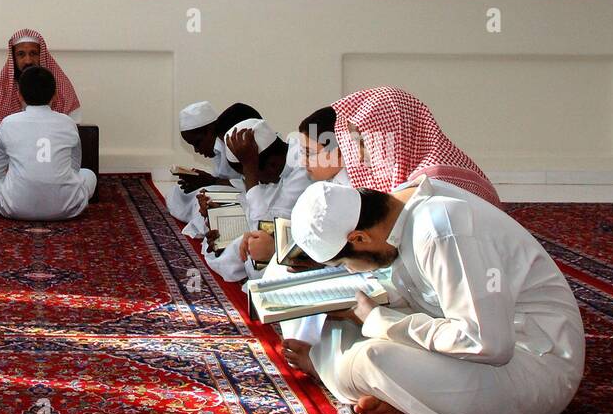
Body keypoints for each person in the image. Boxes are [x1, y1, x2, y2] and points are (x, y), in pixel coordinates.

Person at [284, 178, 584, 414]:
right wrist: (365, 311)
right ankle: (411, 401)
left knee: (365, 361)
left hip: (535, 370)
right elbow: (423, 290)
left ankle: (346, 378)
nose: (350, 270)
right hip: (487, 349)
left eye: (344, 263)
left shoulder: (441, 231)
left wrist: (382, 321)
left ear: (359, 238)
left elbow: (487, 343)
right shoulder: (403, 209)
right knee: (341, 326)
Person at [292, 88, 500, 206]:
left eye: (365, 143)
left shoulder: (430, 181)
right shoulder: (421, 167)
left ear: (397, 135)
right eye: (355, 143)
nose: (359, 155)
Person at [0, 66, 96, 221]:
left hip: (15, 207)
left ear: (19, 95)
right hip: (66, 207)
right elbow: (75, 167)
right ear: (54, 95)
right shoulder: (68, 123)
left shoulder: (8, 122)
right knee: (89, 175)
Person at [200, 117, 311, 283]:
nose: (249, 179)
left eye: (249, 173)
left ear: (272, 165)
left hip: (305, 245)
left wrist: (251, 172)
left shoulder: (304, 171)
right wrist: (223, 216)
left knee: (255, 251)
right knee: (228, 241)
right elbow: (260, 212)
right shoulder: (279, 164)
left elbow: (264, 228)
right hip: (279, 232)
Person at [176, 102, 263, 240]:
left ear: (210, 129)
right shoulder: (223, 142)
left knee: (207, 194)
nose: (196, 150)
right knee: (183, 191)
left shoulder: (241, 143)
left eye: (197, 143)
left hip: (252, 195)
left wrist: (212, 182)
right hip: (245, 194)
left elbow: (257, 184)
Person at [0, 29, 80, 125]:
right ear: (13, 58)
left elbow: (74, 133)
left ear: (41, 56)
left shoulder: (63, 90)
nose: (28, 61)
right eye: (21, 54)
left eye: (33, 53)